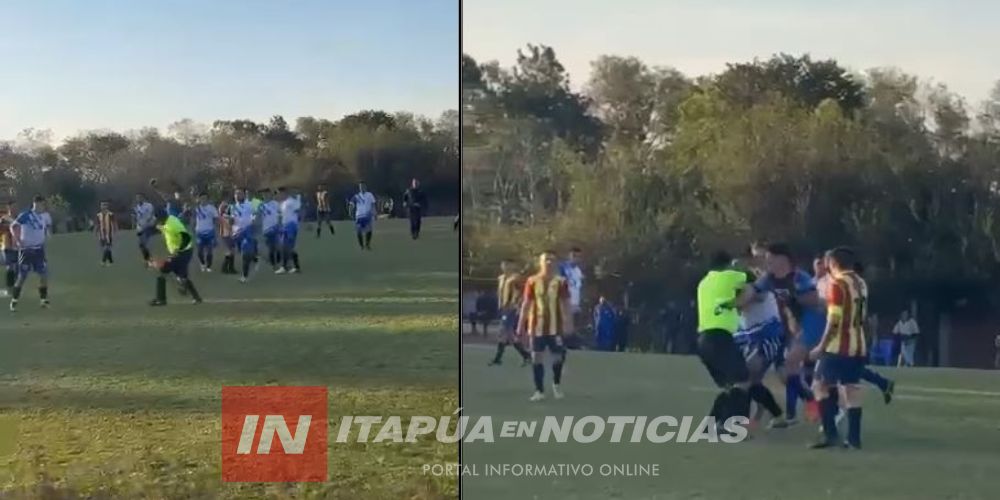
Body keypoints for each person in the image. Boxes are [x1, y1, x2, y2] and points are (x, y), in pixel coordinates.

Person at [754, 243, 821, 424]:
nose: (767, 264)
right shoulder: (769, 278)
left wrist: (794, 297)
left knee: (791, 362)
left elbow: (814, 301)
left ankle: (802, 410)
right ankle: (808, 403)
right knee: (787, 373)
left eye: (770, 260)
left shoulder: (800, 277)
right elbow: (755, 291)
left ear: (782, 260)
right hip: (794, 325)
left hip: (813, 321)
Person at [810, 246, 868, 449]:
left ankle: (830, 434)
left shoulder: (837, 284)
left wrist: (821, 346)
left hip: (838, 347)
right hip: (858, 344)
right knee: (852, 390)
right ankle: (853, 439)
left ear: (833, 263)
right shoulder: (860, 282)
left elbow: (834, 320)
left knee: (819, 385)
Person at [696, 250, 756, 427]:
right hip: (720, 337)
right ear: (728, 265)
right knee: (742, 380)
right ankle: (733, 426)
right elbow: (753, 281)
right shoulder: (729, 276)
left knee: (730, 385)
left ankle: (711, 425)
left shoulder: (704, 282)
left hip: (703, 339)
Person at [732, 251, 789, 428]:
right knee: (751, 381)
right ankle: (777, 416)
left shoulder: (757, 287)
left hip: (766, 336)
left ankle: (741, 423)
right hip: (749, 337)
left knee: (745, 377)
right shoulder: (737, 289)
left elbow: (759, 296)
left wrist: (733, 300)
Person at [518, 251, 574, 401]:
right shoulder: (532, 281)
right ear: (540, 262)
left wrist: (569, 322)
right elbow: (527, 303)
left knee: (558, 357)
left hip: (556, 327)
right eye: (546, 260)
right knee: (536, 357)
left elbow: (566, 303)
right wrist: (520, 324)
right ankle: (539, 390)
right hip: (536, 326)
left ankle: (556, 384)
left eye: (551, 260)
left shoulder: (561, 281)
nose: (548, 262)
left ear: (555, 263)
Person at [149, 211, 203, 306]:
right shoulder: (166, 221)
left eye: (156, 219)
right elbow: (159, 228)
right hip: (182, 252)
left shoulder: (173, 224)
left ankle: (161, 299)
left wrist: (178, 250)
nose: (156, 221)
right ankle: (196, 297)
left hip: (182, 252)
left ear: (161, 218)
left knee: (162, 271)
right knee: (182, 276)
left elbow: (186, 237)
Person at [9, 195, 52, 311]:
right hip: (26, 250)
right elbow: (13, 226)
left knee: (43, 274)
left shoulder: (44, 216)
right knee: (22, 277)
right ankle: (14, 301)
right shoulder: (26, 215)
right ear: (36, 204)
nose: (43, 207)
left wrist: (45, 235)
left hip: (39, 250)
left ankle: (43, 300)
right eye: (42, 204)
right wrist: (18, 240)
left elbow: (45, 228)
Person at [489, 259, 531, 366]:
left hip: (510, 309)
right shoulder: (501, 278)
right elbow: (500, 293)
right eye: (504, 265)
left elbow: (521, 293)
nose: (505, 267)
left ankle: (498, 359)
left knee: (504, 332)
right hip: (503, 308)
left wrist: (517, 305)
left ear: (513, 266)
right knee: (509, 335)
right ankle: (526, 356)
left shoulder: (516, 278)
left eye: (508, 265)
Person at [230, 188, 257, 283]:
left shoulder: (250, 204)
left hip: (247, 232)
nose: (237, 196)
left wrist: (253, 220)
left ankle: (244, 276)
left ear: (244, 195)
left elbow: (255, 213)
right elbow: (233, 219)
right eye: (236, 194)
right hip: (237, 233)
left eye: (239, 194)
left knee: (245, 254)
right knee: (242, 253)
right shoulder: (233, 207)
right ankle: (253, 256)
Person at [276, 187, 301, 274]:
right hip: (285, 226)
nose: (278, 195)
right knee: (283, 247)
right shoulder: (282, 203)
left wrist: (300, 222)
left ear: (284, 193)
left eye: (280, 193)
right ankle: (284, 266)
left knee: (290, 247)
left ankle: (296, 267)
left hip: (291, 226)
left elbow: (299, 211)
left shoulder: (291, 201)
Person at [193, 193, 219, 272]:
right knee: (199, 251)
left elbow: (216, 219)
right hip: (199, 233)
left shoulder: (212, 208)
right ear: (199, 199)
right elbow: (193, 218)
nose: (203, 200)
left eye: (205, 198)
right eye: (201, 198)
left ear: (207, 199)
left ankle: (208, 266)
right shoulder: (196, 208)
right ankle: (202, 263)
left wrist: (214, 228)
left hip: (209, 233)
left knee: (209, 252)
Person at [349, 182, 377, 250]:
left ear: (365, 187)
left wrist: (374, 213)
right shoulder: (356, 196)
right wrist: (350, 212)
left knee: (369, 230)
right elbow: (351, 204)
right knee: (359, 231)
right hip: (359, 215)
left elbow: (373, 204)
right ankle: (361, 245)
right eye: (360, 187)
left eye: (362, 186)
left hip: (367, 215)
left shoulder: (369, 195)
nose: (361, 188)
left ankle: (367, 244)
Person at [133, 193, 157, 264]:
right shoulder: (136, 207)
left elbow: (150, 215)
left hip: (149, 226)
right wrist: (138, 225)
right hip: (141, 228)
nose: (138, 199)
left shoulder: (149, 205)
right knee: (141, 245)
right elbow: (138, 218)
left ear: (143, 198)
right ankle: (148, 259)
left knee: (143, 243)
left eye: (140, 197)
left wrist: (145, 223)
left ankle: (148, 260)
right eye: (137, 198)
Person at [0, 201, 16, 298]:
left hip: (16, 246)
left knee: (16, 268)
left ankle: (13, 288)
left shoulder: (18, 218)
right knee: (10, 267)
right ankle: (10, 290)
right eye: (12, 207)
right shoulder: (4, 218)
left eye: (15, 207)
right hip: (6, 246)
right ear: (8, 208)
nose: (14, 209)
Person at [218, 198, 237, 274]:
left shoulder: (226, 214)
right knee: (231, 251)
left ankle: (228, 268)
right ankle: (226, 268)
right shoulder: (224, 215)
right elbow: (229, 224)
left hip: (228, 234)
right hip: (225, 234)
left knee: (231, 251)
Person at [95, 200, 116, 266]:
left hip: (109, 234)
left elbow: (114, 223)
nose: (104, 206)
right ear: (100, 206)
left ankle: (103, 261)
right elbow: (98, 224)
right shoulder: (98, 215)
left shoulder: (111, 214)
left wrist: (115, 231)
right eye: (102, 205)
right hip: (101, 234)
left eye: (105, 205)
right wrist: (96, 231)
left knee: (106, 248)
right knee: (106, 249)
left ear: (107, 206)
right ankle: (111, 261)